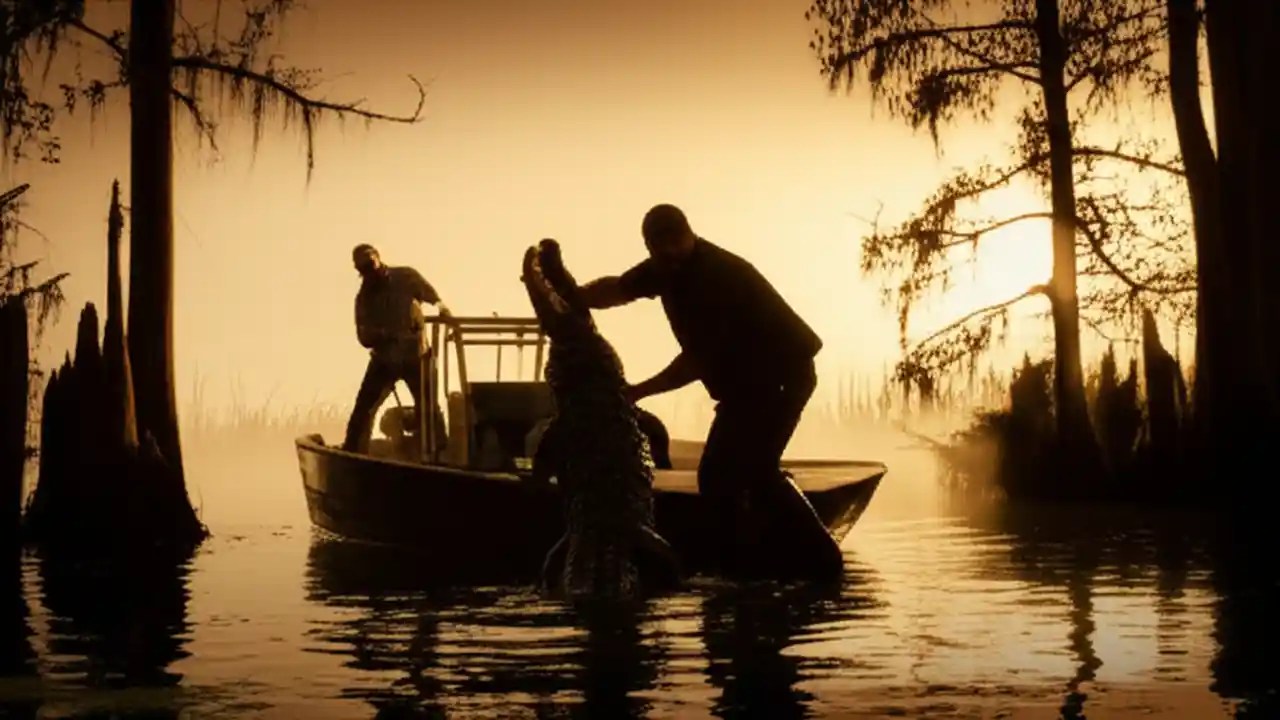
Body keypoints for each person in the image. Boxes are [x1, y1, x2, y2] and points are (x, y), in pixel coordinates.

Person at [578, 204, 842, 578]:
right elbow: (618, 289)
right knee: (720, 477)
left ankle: (824, 562)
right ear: (650, 247)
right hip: (745, 385)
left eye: (674, 243)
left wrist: (636, 392)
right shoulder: (663, 270)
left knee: (753, 471)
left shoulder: (716, 277)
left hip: (784, 374)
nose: (668, 253)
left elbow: (696, 362)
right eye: (658, 246)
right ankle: (740, 566)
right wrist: (573, 296)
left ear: (689, 234)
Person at [341, 243, 451, 454]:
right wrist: (386, 335)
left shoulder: (406, 276)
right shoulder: (364, 298)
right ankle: (352, 451)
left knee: (429, 408)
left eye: (371, 265)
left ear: (379, 258)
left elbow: (432, 296)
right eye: (364, 270)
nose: (370, 272)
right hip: (385, 361)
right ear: (359, 272)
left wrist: (442, 307)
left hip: (417, 356)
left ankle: (441, 453)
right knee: (364, 409)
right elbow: (364, 337)